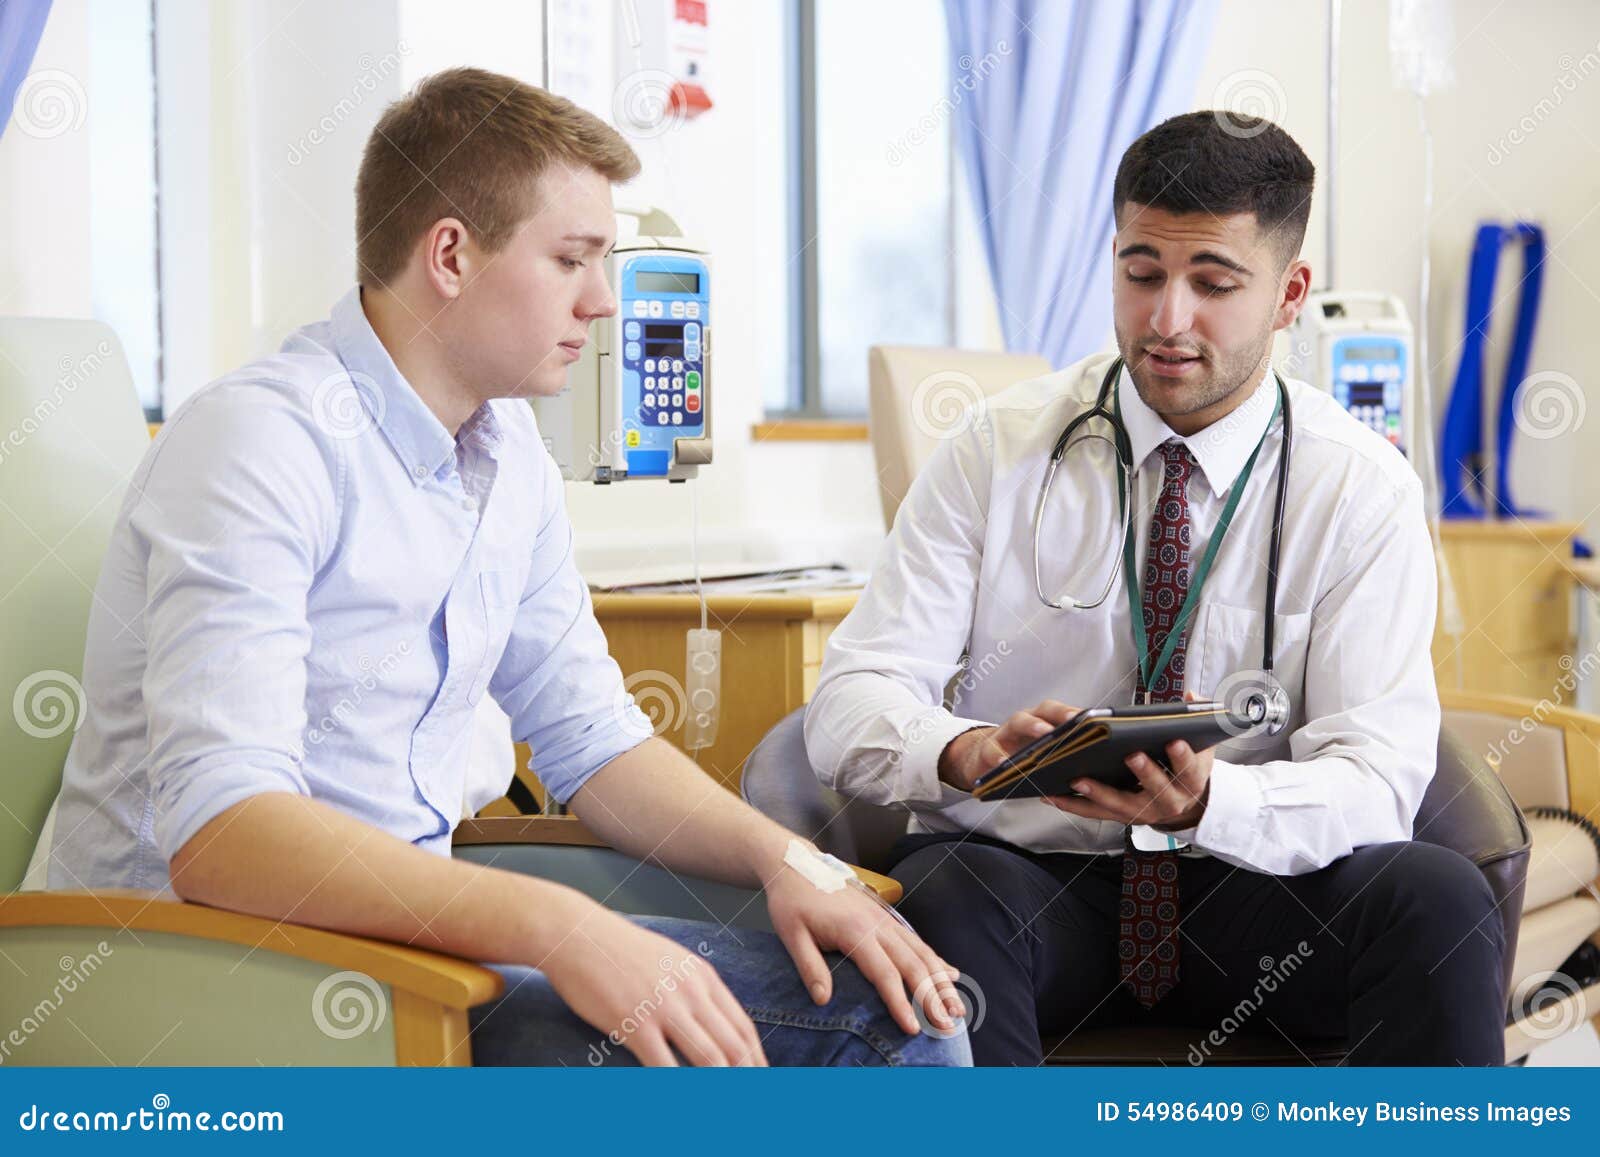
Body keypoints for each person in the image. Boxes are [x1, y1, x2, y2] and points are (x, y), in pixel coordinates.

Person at [32, 67, 968, 1069]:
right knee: (840, 1047)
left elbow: (592, 740)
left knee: (905, 1010)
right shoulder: (261, 442)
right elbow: (224, 832)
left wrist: (787, 858)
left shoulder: (506, 453)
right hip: (197, 974)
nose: (603, 302)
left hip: (399, 953)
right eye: (572, 259)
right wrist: (554, 924)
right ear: (449, 254)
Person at [805, 111, 1504, 1066]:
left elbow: (1376, 780)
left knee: (1436, 898)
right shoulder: (995, 449)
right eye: (1141, 275)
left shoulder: (1359, 486)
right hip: (1034, 877)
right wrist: (966, 749)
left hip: (1251, 884)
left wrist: (1209, 805)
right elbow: (849, 702)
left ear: (1290, 293)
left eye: (1214, 284)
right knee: (943, 899)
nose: (1168, 320)